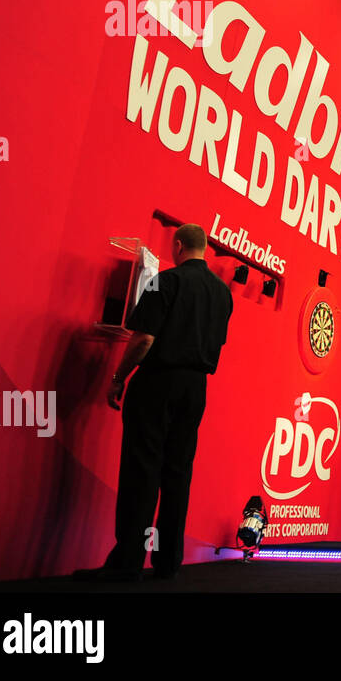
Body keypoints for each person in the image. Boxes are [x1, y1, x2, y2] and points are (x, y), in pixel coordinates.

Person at [76, 223, 233, 581]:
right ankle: (167, 561)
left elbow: (144, 339)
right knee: (178, 473)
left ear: (178, 246)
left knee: (141, 471)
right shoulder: (223, 294)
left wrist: (118, 378)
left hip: (157, 382)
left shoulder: (165, 280)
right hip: (195, 389)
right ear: (204, 249)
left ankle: (127, 562)